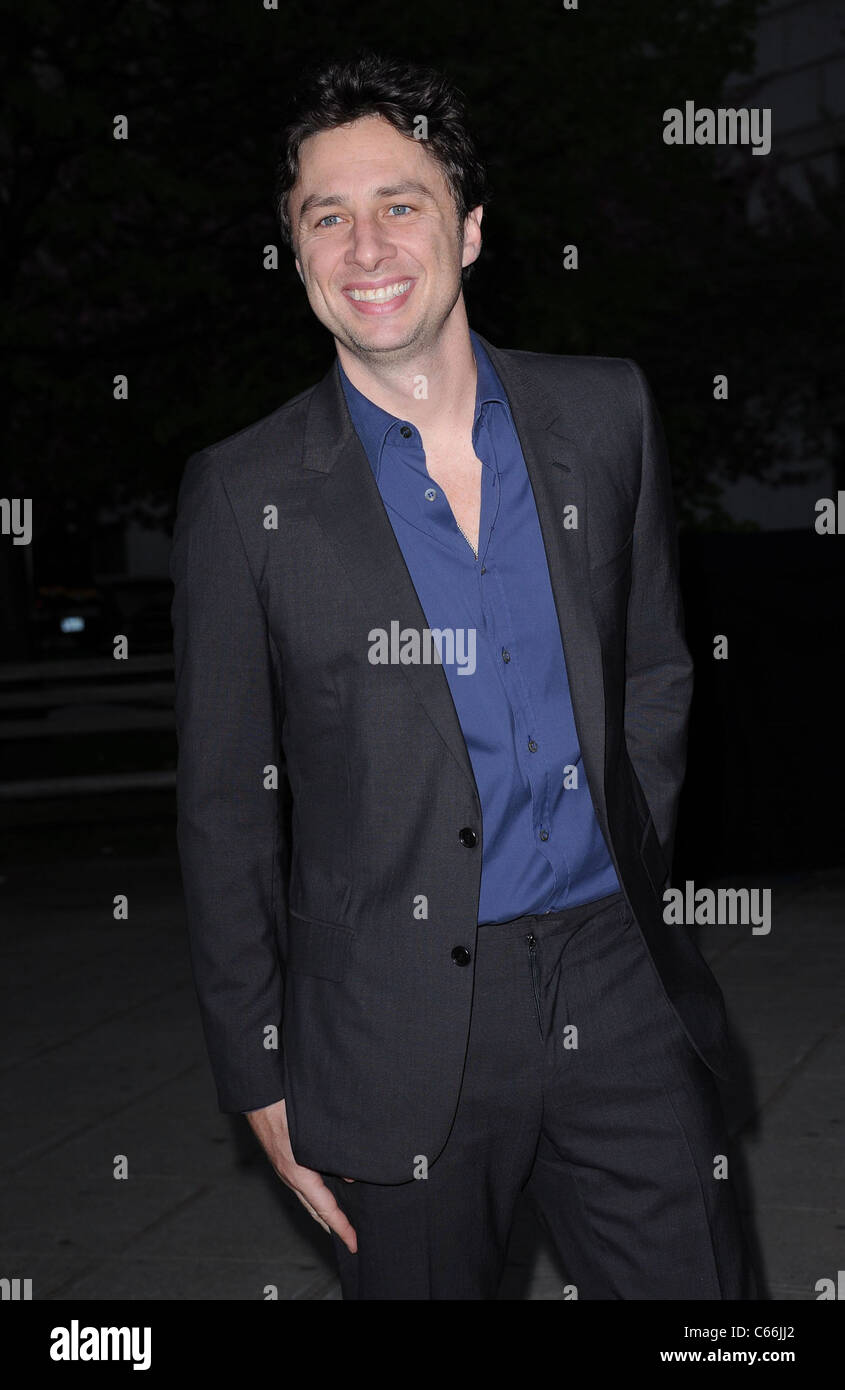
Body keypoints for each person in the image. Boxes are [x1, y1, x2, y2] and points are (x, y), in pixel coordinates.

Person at [170, 50, 756, 1300]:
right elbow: (224, 809)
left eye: (401, 204)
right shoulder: (241, 494)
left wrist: (624, 850)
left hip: (615, 978)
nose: (365, 243)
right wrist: (258, 1070)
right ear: (296, 250)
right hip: (389, 1028)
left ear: (470, 230)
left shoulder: (604, 418)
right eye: (326, 215)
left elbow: (653, 668)